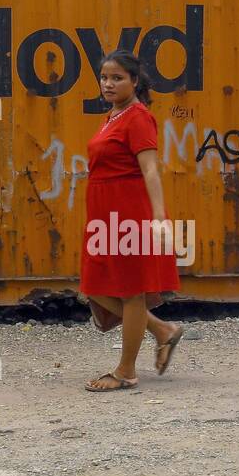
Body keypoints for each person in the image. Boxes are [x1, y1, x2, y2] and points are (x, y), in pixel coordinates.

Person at [80, 50, 184, 391]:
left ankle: (126, 372)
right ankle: (162, 330)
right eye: (104, 78)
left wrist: (157, 218)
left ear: (135, 81)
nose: (108, 84)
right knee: (95, 285)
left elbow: (151, 169)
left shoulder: (138, 117)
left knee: (130, 291)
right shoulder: (113, 115)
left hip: (130, 213)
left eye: (117, 78)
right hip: (106, 213)